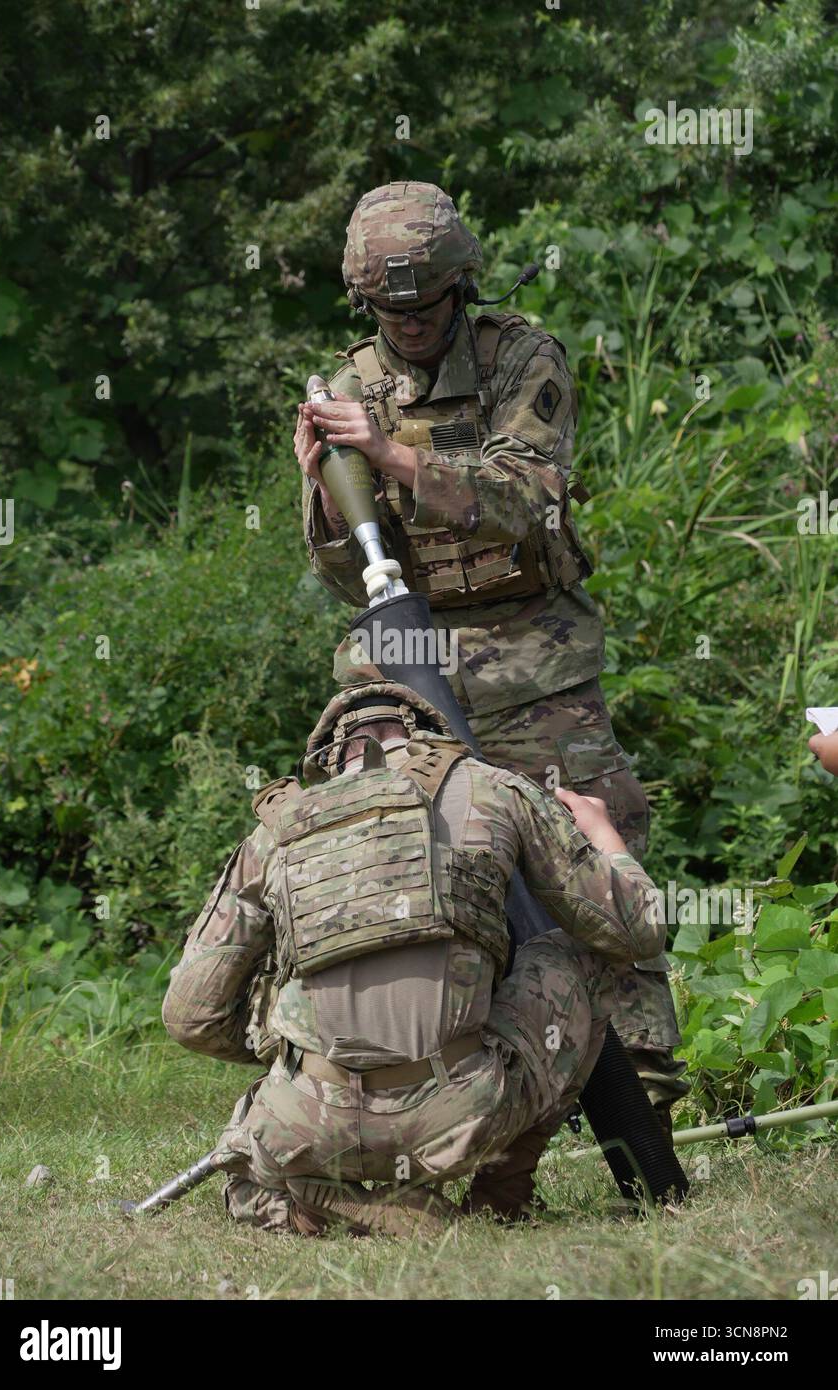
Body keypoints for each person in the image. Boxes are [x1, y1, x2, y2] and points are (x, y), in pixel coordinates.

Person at [292, 180, 685, 1117]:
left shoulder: (521, 359)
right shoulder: (348, 388)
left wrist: (393, 458)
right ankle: (420, 1092)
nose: (412, 322)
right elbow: (352, 578)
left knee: (590, 853)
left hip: (535, 666)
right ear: (364, 302)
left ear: (460, 285)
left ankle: (648, 1099)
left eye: (427, 303)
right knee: (403, 869)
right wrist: (323, 490)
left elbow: (528, 499)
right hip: (407, 667)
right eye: (391, 308)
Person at [162, 682, 666, 1236]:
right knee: (579, 955)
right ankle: (500, 1196)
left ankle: (315, 1200)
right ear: (429, 736)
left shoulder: (275, 831)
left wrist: (284, 1038)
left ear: (329, 759)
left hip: (306, 1125)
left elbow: (191, 1016)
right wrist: (605, 837)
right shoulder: (494, 788)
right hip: (461, 1118)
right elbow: (635, 933)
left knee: (251, 1172)